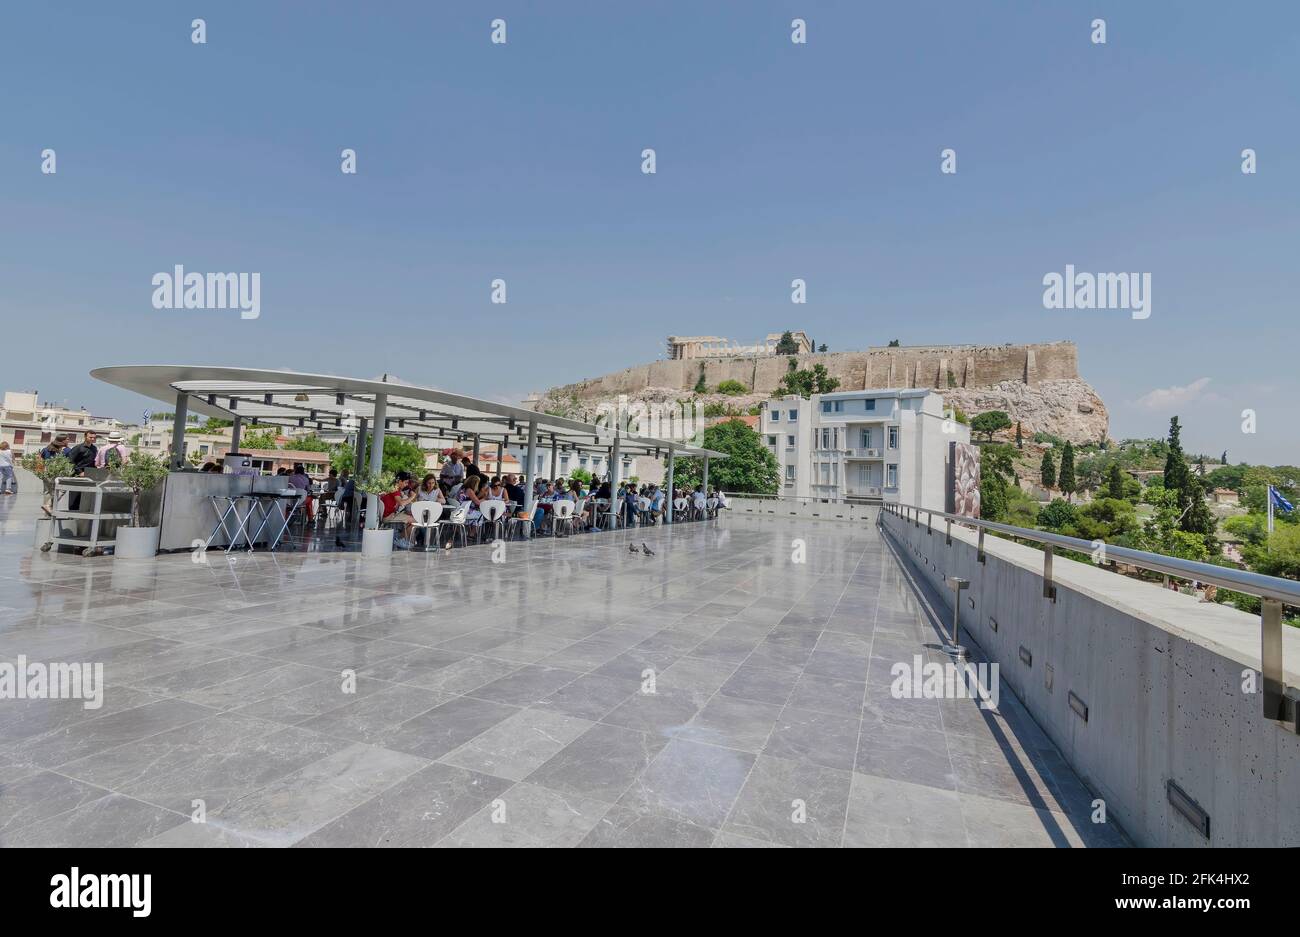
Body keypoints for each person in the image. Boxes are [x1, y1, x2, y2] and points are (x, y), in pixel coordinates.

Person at [378, 471, 417, 547]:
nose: (406, 485)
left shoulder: (392, 487)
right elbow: (402, 503)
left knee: (410, 517)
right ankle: (400, 540)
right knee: (415, 521)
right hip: (389, 516)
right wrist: (412, 497)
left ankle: (402, 539)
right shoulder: (395, 489)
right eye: (405, 482)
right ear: (399, 481)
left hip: (390, 514)